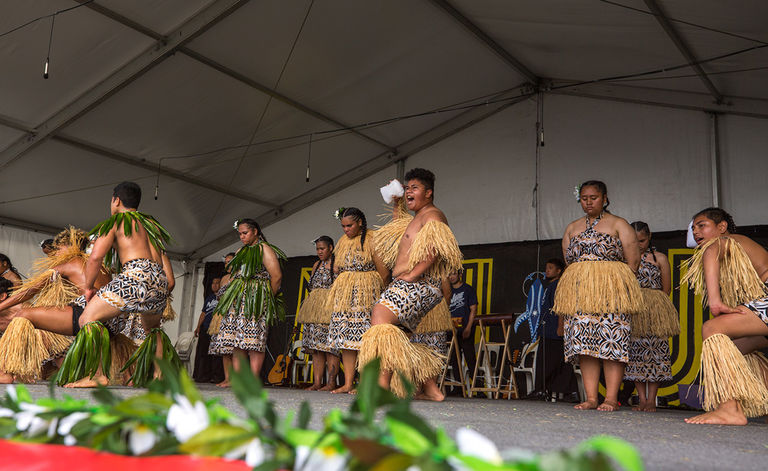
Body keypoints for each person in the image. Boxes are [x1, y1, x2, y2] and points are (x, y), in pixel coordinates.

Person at [55, 181, 176, 388]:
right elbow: (169, 275)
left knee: (88, 318)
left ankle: (98, 374)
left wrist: (89, 287)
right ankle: (160, 376)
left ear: (116, 200)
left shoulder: (115, 222)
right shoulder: (152, 226)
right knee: (154, 330)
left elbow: (95, 258)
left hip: (134, 276)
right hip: (159, 281)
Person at [361, 168, 463, 401]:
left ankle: (382, 388)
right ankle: (430, 387)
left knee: (380, 319)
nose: (409, 191)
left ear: (429, 193)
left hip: (417, 284)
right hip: (420, 286)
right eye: (407, 188)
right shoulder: (420, 217)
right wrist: (398, 203)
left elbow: (436, 247)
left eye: (414, 188)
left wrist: (413, 274)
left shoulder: (433, 216)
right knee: (397, 335)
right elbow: (403, 232)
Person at [553, 180, 643, 411]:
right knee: (585, 345)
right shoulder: (572, 228)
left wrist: (609, 281)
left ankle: (611, 397)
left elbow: (633, 262)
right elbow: (569, 261)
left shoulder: (618, 224)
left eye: (593, 197)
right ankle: (591, 397)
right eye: (584, 198)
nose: (588, 202)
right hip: (581, 293)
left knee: (611, 343)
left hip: (610, 293)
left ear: (604, 198)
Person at [681, 208, 768, 425]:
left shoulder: (728, 240)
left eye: (702, 225)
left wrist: (715, 301)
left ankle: (729, 409)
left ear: (721, 227)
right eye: (693, 228)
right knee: (735, 348)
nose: (696, 231)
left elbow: (712, 251)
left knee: (712, 328)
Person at [0, 228, 119, 384]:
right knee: (47, 331)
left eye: (58, 248)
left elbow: (30, 291)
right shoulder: (99, 266)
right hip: (112, 322)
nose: (55, 253)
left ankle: (4, 371)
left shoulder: (70, 263)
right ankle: (94, 374)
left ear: (70, 245)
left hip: (88, 314)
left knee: (24, 315)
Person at [326, 208, 388, 394]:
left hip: (366, 294)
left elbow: (384, 272)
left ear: (360, 222)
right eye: (343, 226)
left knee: (364, 340)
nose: (346, 229)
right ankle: (347, 383)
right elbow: (336, 266)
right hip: (345, 296)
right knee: (346, 341)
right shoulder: (343, 241)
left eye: (349, 225)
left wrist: (377, 295)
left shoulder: (372, 238)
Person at [214, 219, 285, 383]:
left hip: (255, 300)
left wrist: (267, 299)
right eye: (239, 233)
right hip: (238, 300)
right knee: (237, 342)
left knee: (254, 342)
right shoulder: (241, 250)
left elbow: (277, 276)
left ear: (255, 232)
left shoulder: (264, 249)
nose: (242, 236)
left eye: (245, 233)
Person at [623, 222, 678, 412]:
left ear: (650, 237)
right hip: (634, 310)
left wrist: (656, 308)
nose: (639, 245)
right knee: (636, 354)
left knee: (655, 353)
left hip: (655, 311)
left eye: (642, 240)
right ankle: (641, 399)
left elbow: (667, 289)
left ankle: (651, 400)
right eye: (635, 241)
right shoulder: (624, 259)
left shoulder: (660, 258)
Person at [296, 236, 340, 391]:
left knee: (329, 348)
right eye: (317, 249)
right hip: (314, 311)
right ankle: (317, 382)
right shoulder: (316, 264)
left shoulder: (337, 265)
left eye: (322, 249)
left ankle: (331, 383)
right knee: (315, 348)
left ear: (331, 248)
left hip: (330, 310)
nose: (319, 252)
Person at [535, 258, 578, 400]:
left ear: (559, 271)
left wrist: (561, 327)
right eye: (546, 267)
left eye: (551, 268)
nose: (547, 270)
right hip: (547, 329)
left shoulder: (559, 285)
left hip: (555, 331)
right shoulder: (550, 286)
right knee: (547, 361)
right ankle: (546, 390)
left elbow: (561, 308)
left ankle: (549, 391)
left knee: (554, 362)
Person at [447, 269, 478, 388]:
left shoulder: (468, 289)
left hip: (465, 329)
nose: (451, 277)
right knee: (455, 359)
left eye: (453, 273)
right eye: (449, 274)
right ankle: (459, 388)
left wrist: (468, 327)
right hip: (452, 331)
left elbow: (473, 309)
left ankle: (478, 387)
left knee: (470, 359)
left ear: (460, 274)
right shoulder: (447, 291)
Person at [192, 277, 224, 383]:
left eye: (217, 283)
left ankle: (217, 376)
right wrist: (198, 327)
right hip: (206, 328)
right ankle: (203, 375)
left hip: (217, 329)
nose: (214, 285)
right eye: (213, 283)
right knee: (204, 353)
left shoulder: (224, 297)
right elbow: (203, 313)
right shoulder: (209, 298)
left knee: (216, 354)